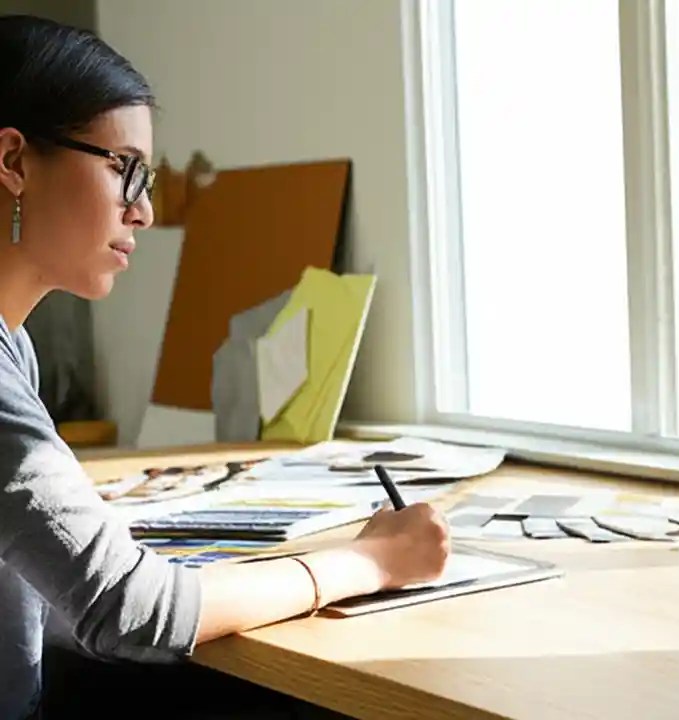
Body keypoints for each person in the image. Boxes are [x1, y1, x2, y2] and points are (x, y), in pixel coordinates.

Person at [0, 15, 451, 719]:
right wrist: (371, 563)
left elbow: (49, 590)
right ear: (14, 161)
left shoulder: (12, 346)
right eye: (126, 169)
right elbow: (127, 609)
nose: (144, 210)